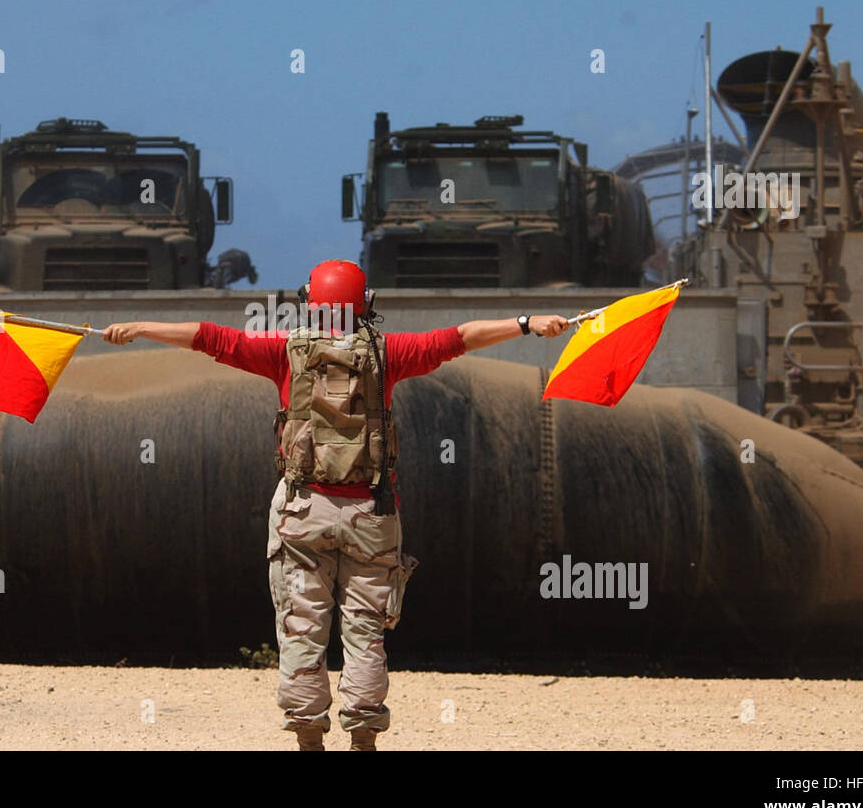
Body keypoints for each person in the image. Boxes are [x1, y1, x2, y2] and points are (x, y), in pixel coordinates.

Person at [102, 260, 568, 750]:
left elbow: (211, 337)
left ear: (310, 303)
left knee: (302, 626)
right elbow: (460, 337)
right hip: (371, 512)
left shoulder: (283, 352)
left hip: (301, 511)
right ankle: (364, 737)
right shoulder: (391, 353)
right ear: (366, 305)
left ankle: (308, 737)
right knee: (364, 631)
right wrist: (525, 323)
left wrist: (139, 328)